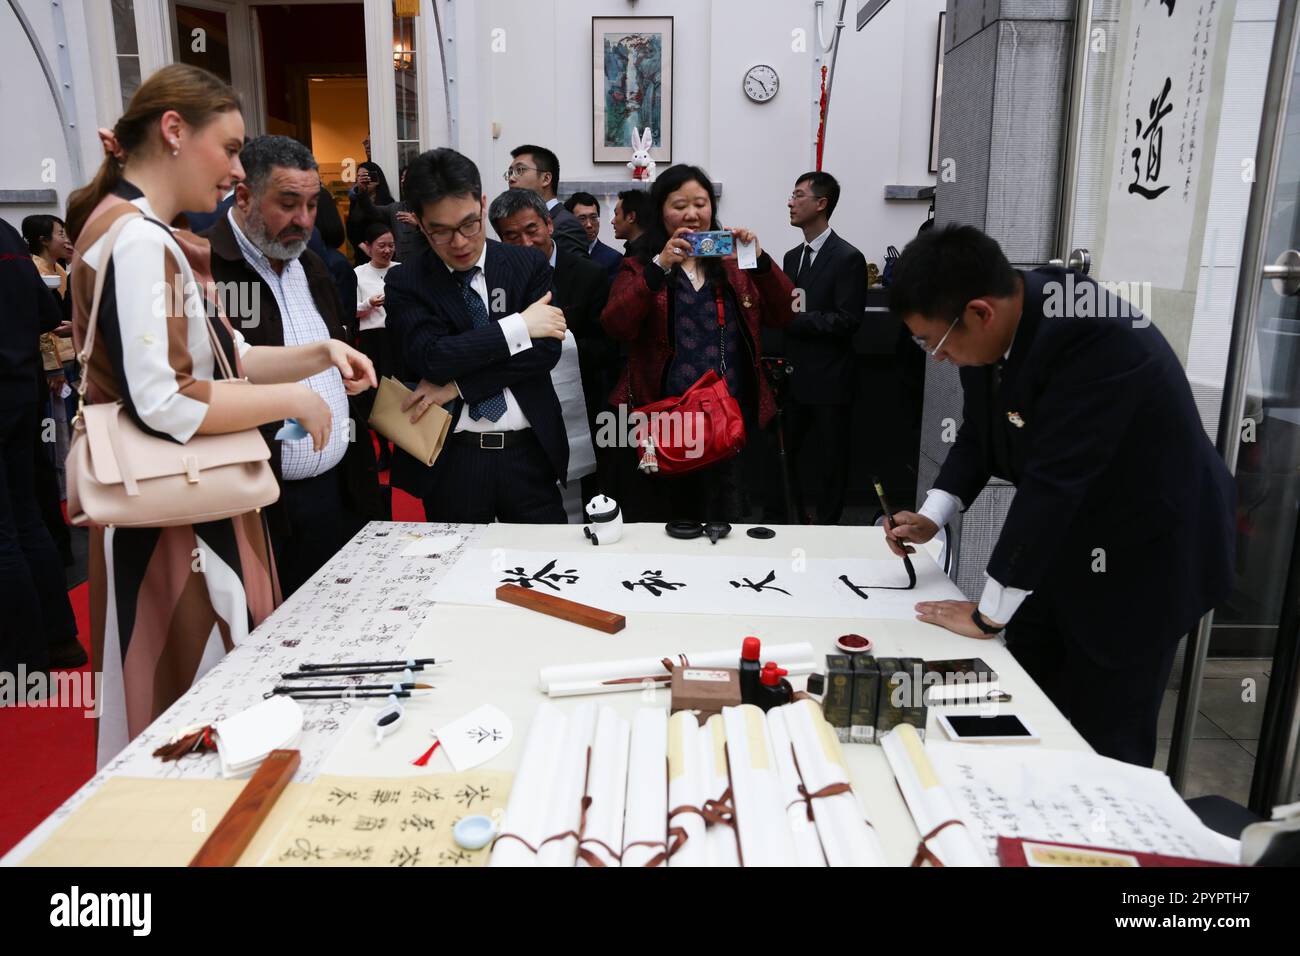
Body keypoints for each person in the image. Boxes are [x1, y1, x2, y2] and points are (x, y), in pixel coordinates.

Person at [65, 65, 377, 764]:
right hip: (176, 519)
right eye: (231, 148)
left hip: (175, 505)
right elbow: (168, 400)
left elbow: (228, 358)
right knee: (196, 718)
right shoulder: (141, 239)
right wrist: (293, 400)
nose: (236, 168)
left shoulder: (134, 230)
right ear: (175, 132)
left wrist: (318, 353)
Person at [883, 224, 1235, 767]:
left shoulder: (1097, 338)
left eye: (934, 341)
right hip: (1069, 539)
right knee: (1027, 693)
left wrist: (985, 615)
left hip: (1148, 550)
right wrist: (933, 516)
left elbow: (1054, 483)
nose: (936, 356)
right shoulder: (997, 328)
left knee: (1107, 729)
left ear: (979, 312)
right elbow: (981, 431)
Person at [202, 134, 384, 597]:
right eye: (287, 204)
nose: (303, 221)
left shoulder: (311, 262)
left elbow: (328, 346)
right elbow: (211, 379)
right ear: (243, 196)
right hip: (259, 504)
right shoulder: (203, 268)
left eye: (311, 204)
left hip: (338, 490)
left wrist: (343, 375)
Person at [600, 164, 796, 522]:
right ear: (661, 211)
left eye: (701, 203)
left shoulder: (736, 264)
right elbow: (616, 325)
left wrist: (761, 260)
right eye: (679, 205)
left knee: (726, 521)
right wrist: (658, 267)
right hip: (663, 422)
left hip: (727, 419)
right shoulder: (639, 265)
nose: (691, 213)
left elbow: (786, 312)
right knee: (664, 522)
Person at [384, 148, 570, 523]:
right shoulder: (407, 280)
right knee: (459, 574)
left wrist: (458, 387)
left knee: (543, 568)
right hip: (454, 458)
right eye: (441, 230)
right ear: (419, 223)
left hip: (528, 452)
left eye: (470, 224)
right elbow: (433, 357)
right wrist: (519, 327)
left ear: (483, 204)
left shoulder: (525, 263)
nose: (460, 242)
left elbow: (544, 351)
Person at [490, 188, 608, 510]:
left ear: (549, 225)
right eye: (511, 236)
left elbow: (606, 345)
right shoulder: (493, 282)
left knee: (586, 500)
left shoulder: (589, 275)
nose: (526, 243)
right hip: (519, 411)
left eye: (532, 230)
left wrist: (552, 342)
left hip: (582, 405)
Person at [0, 215, 81, 681]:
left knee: (5, 531)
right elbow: (49, 316)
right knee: (29, 517)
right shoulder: (8, 236)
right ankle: (59, 638)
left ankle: (20, 663)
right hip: (22, 393)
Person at [781, 171, 866, 524]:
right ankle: (795, 520)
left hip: (831, 381)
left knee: (831, 463)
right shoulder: (790, 258)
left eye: (798, 195)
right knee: (788, 458)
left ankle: (828, 525)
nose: (790, 202)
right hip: (792, 379)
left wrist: (795, 321)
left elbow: (847, 320)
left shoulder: (848, 258)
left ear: (821, 203)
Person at [354, 220, 399, 468]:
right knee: (376, 395)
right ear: (368, 247)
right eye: (381, 245)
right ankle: (384, 450)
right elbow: (351, 311)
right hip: (372, 340)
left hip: (397, 337)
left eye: (391, 245)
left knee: (399, 392)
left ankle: (404, 446)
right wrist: (369, 303)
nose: (387, 250)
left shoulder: (401, 270)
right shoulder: (358, 274)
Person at [505, 144, 588, 258]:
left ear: (546, 179)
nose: (511, 178)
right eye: (510, 173)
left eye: (520, 170)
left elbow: (576, 272)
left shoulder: (566, 224)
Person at [564, 191, 622, 283]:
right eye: (582, 219)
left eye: (593, 217)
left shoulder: (613, 259)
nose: (589, 225)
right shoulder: (561, 253)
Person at [612, 188, 650, 256]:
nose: (612, 221)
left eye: (616, 214)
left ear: (631, 217)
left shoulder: (644, 256)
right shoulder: (632, 249)